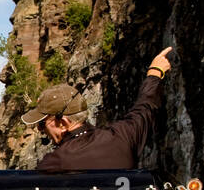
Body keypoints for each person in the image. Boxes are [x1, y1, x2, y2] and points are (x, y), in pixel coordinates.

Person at [21, 47, 172, 172]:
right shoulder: (122, 136)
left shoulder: (54, 164)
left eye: (42, 124)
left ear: (63, 122)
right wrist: (155, 73)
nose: (40, 129)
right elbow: (145, 107)